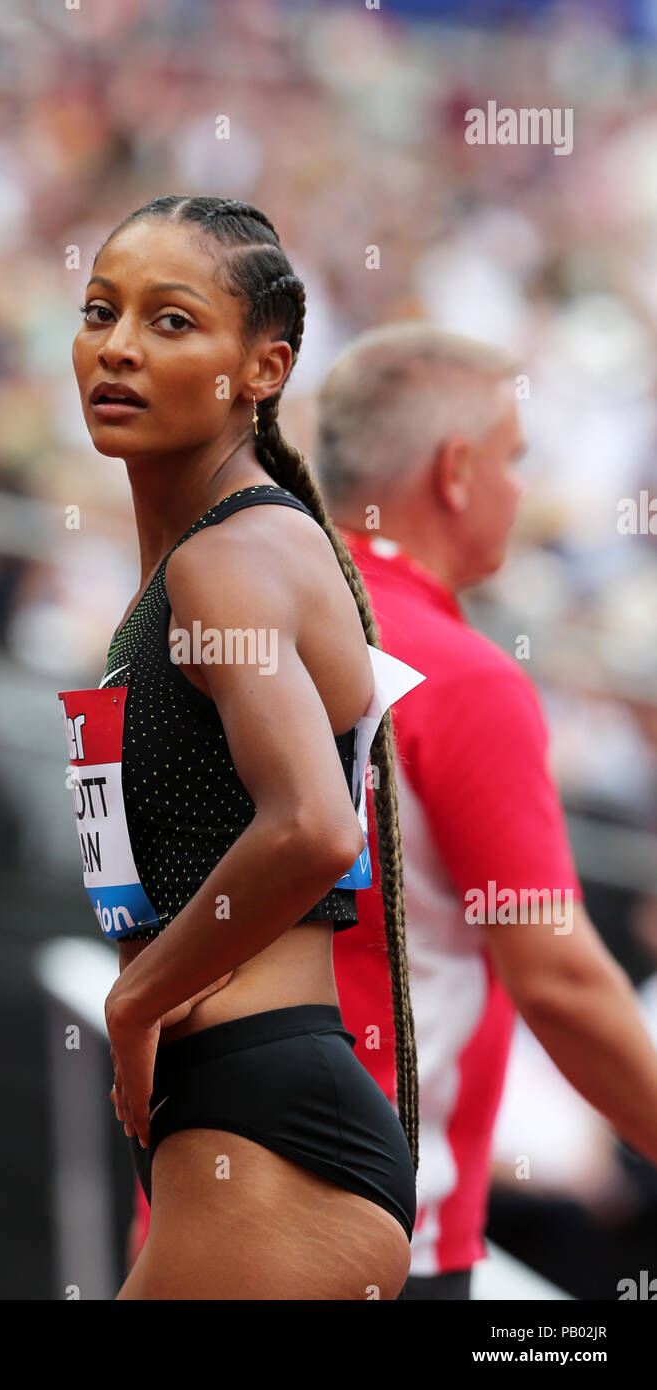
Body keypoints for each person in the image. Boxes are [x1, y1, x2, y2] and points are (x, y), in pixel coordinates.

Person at [61, 195, 424, 1300]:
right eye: (98, 311)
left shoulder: (232, 557)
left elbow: (314, 825)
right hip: (239, 1116)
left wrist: (131, 1006)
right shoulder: (205, 560)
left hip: (267, 1128)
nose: (116, 346)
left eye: (171, 321)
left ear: (260, 370)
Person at [312, 322, 657, 1299]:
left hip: (189, 1224)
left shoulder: (175, 631)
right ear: (454, 472)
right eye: (513, 459)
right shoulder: (461, 681)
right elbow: (558, 982)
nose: (523, 490)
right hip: (384, 1246)